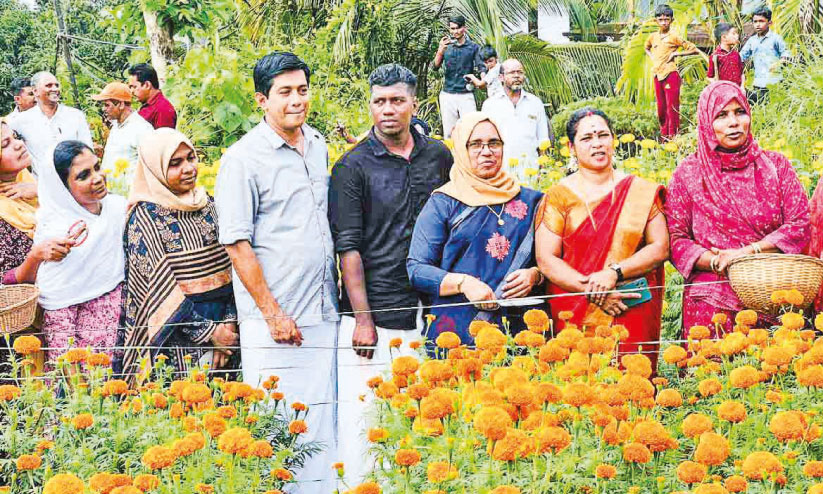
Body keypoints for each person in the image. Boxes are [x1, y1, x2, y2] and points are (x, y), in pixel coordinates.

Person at [215, 51, 338, 492]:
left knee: (323, 424)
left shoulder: (319, 144)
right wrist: (272, 313)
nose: (296, 101)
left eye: (302, 90)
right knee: (281, 431)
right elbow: (236, 242)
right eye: (284, 92)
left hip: (323, 310)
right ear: (261, 101)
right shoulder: (242, 159)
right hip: (277, 320)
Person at [329, 63, 452, 484]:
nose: (387, 110)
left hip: (435, 304)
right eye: (379, 101)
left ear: (414, 103)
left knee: (426, 420)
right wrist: (362, 319)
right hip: (378, 313)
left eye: (397, 100)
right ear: (370, 106)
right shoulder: (352, 167)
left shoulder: (438, 155)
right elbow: (348, 245)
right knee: (369, 423)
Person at [666, 81, 810, 337]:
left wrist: (747, 253)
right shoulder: (688, 173)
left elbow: (799, 223)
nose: (733, 122)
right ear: (705, 122)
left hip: (770, 291)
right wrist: (718, 262)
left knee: (778, 373)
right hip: (712, 297)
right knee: (711, 373)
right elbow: (677, 241)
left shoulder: (776, 166)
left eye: (739, 112)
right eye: (721, 115)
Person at [534, 108, 669, 368]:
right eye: (586, 138)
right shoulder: (559, 196)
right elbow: (547, 258)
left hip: (630, 303)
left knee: (634, 389)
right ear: (572, 147)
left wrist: (614, 273)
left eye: (603, 135)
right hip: (577, 305)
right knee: (582, 392)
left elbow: (660, 247)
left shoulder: (640, 190)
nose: (597, 143)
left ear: (613, 140)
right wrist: (594, 291)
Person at [407, 112, 544, 347]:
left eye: (494, 143)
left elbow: (554, 259)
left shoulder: (532, 201)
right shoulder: (444, 202)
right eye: (475, 144)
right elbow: (417, 269)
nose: (487, 151)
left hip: (522, 330)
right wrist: (464, 283)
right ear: (461, 149)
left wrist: (535, 275)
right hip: (457, 332)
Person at [115, 128, 239, 383]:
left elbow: (235, 266)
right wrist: (209, 333)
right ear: (155, 168)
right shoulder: (145, 218)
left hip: (228, 328)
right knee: (183, 405)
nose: (188, 168)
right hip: (176, 332)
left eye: (190, 158)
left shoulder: (210, 206)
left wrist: (228, 324)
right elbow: (155, 291)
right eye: (175, 163)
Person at [35, 140, 127, 364]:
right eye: (83, 175)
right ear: (62, 188)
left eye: (97, 167)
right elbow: (56, 298)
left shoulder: (118, 208)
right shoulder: (55, 229)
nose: (97, 177)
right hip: (71, 331)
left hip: (121, 326)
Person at [1, 118, 73, 286]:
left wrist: (42, 191)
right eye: (5, 144)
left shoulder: (29, 184)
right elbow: (5, 281)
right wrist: (36, 256)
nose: (19, 144)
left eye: (15, 137)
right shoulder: (3, 214)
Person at [10, 72, 93, 175]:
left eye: (56, 85)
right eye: (48, 86)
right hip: (41, 186)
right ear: (35, 91)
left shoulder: (75, 116)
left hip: (74, 184)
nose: (55, 89)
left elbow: (88, 150)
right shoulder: (21, 121)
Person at [481, 58, 550, 182]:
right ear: (501, 77)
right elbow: (485, 141)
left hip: (531, 175)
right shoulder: (490, 105)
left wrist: (543, 171)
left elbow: (543, 140)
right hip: (501, 176)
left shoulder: (535, 103)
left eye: (520, 72)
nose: (517, 76)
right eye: (512, 73)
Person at [644, 4, 700, 140]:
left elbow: (693, 49)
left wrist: (676, 55)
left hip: (670, 75)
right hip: (658, 74)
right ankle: (664, 138)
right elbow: (647, 48)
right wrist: (653, 58)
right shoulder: (653, 37)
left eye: (666, 19)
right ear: (655, 21)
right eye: (661, 19)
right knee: (661, 109)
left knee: (672, 108)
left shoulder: (674, 36)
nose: (663, 22)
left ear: (671, 20)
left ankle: (674, 138)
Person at [91, 82, 153, 190]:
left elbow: (151, 165)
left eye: (107, 105)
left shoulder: (142, 129)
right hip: (113, 193)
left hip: (132, 196)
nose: (104, 109)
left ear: (121, 104)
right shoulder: (116, 126)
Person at [433, 15, 485, 139]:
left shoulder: (473, 47)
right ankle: (452, 158)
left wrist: (482, 81)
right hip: (447, 95)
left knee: (470, 131)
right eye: (452, 28)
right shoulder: (446, 46)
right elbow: (434, 67)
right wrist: (440, 50)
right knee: (449, 134)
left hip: (466, 94)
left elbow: (481, 66)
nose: (455, 31)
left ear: (464, 28)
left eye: (457, 28)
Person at [740, 5, 790, 105]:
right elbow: (740, 57)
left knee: (774, 107)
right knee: (758, 106)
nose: (758, 25)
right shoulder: (752, 41)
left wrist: (779, 62)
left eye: (761, 21)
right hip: (758, 83)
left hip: (775, 83)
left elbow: (786, 54)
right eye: (755, 21)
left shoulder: (776, 39)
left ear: (769, 23)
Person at [128, 63, 177, 129]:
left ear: (147, 85)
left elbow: (164, 137)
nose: (131, 91)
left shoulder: (163, 110)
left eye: (134, 87)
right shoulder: (148, 105)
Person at [707, 23, 744, 87]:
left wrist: (742, 87)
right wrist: (719, 86)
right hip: (724, 93)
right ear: (724, 37)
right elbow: (710, 77)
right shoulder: (715, 56)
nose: (737, 36)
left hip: (738, 91)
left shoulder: (736, 54)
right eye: (733, 33)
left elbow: (741, 74)